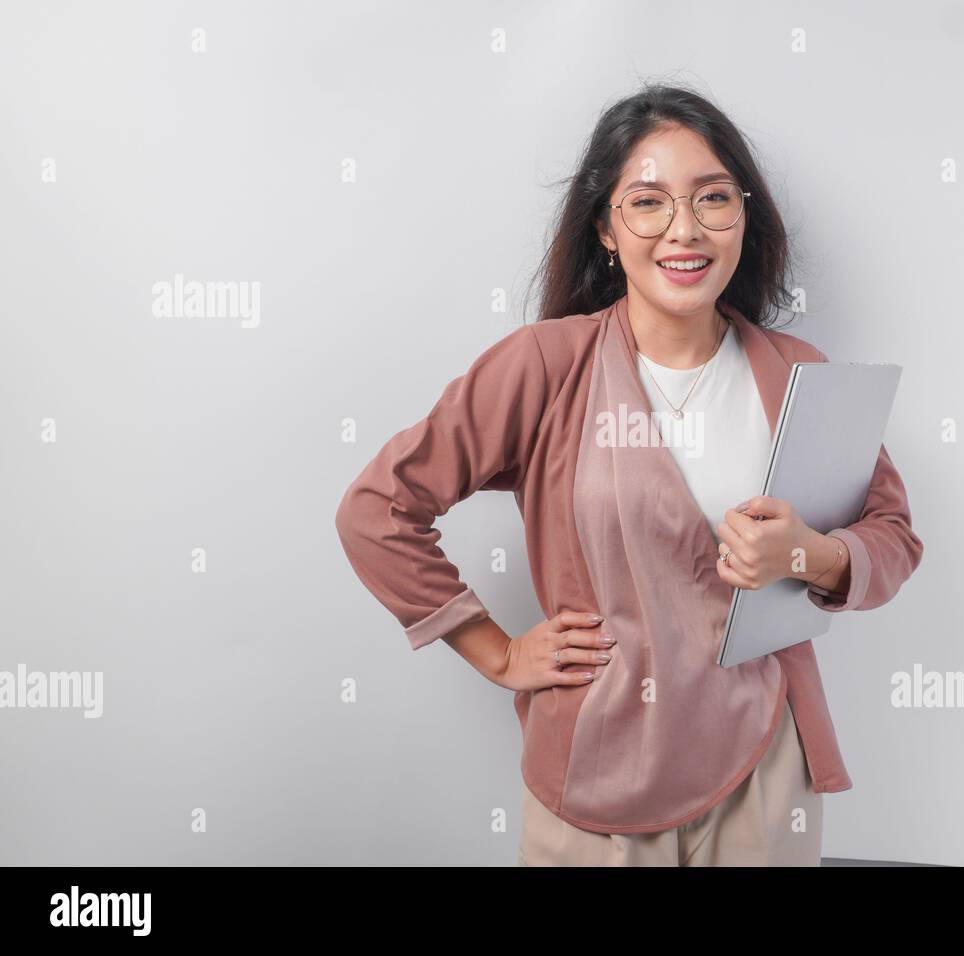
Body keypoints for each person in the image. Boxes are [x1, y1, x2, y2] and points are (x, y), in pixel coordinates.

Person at [334, 83, 924, 867]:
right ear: (608, 229)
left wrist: (808, 554)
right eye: (648, 203)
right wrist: (499, 655)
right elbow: (378, 510)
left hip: (766, 766)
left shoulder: (797, 375)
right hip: (595, 773)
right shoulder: (545, 366)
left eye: (713, 198)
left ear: (745, 214)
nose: (686, 229)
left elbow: (892, 538)